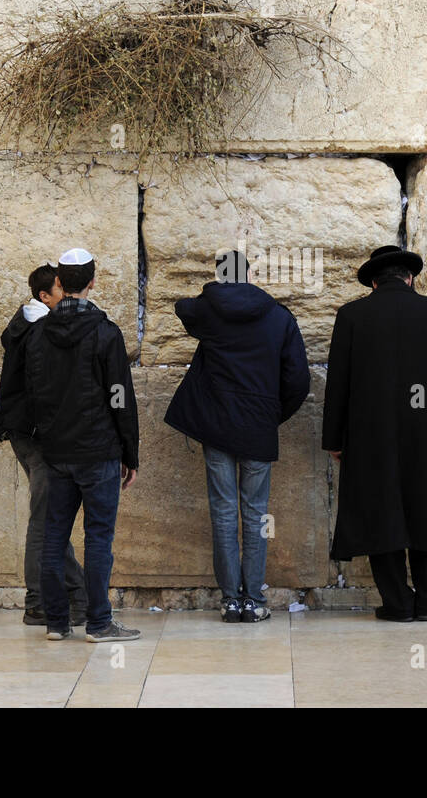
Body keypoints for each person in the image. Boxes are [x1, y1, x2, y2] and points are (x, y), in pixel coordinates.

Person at [322, 245, 427, 623]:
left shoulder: (352, 316)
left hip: (370, 433)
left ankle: (398, 603)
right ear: (410, 278)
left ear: (373, 281)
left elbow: (337, 384)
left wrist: (335, 441)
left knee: (381, 508)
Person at [164, 249, 310, 623]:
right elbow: (297, 381)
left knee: (224, 512)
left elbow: (183, 307)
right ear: (248, 275)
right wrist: (273, 416)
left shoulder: (209, 313)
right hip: (258, 427)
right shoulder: (279, 317)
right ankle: (254, 600)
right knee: (257, 514)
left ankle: (230, 600)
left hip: (217, 427)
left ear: (220, 276)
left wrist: (211, 294)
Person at [24, 249, 140, 642]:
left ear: (60, 281)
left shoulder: (38, 333)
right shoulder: (105, 333)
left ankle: (57, 622)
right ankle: (98, 623)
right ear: (93, 280)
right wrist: (130, 451)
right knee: (98, 538)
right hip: (97, 451)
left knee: (54, 537)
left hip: (55, 452)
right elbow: (120, 396)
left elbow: (34, 391)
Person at [0, 262, 89, 627]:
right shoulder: (38, 328)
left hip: (28, 431)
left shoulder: (30, 321)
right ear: (45, 296)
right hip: (34, 433)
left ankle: (72, 595)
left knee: (51, 514)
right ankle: (40, 600)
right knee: (46, 516)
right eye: (62, 291)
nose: (69, 297)